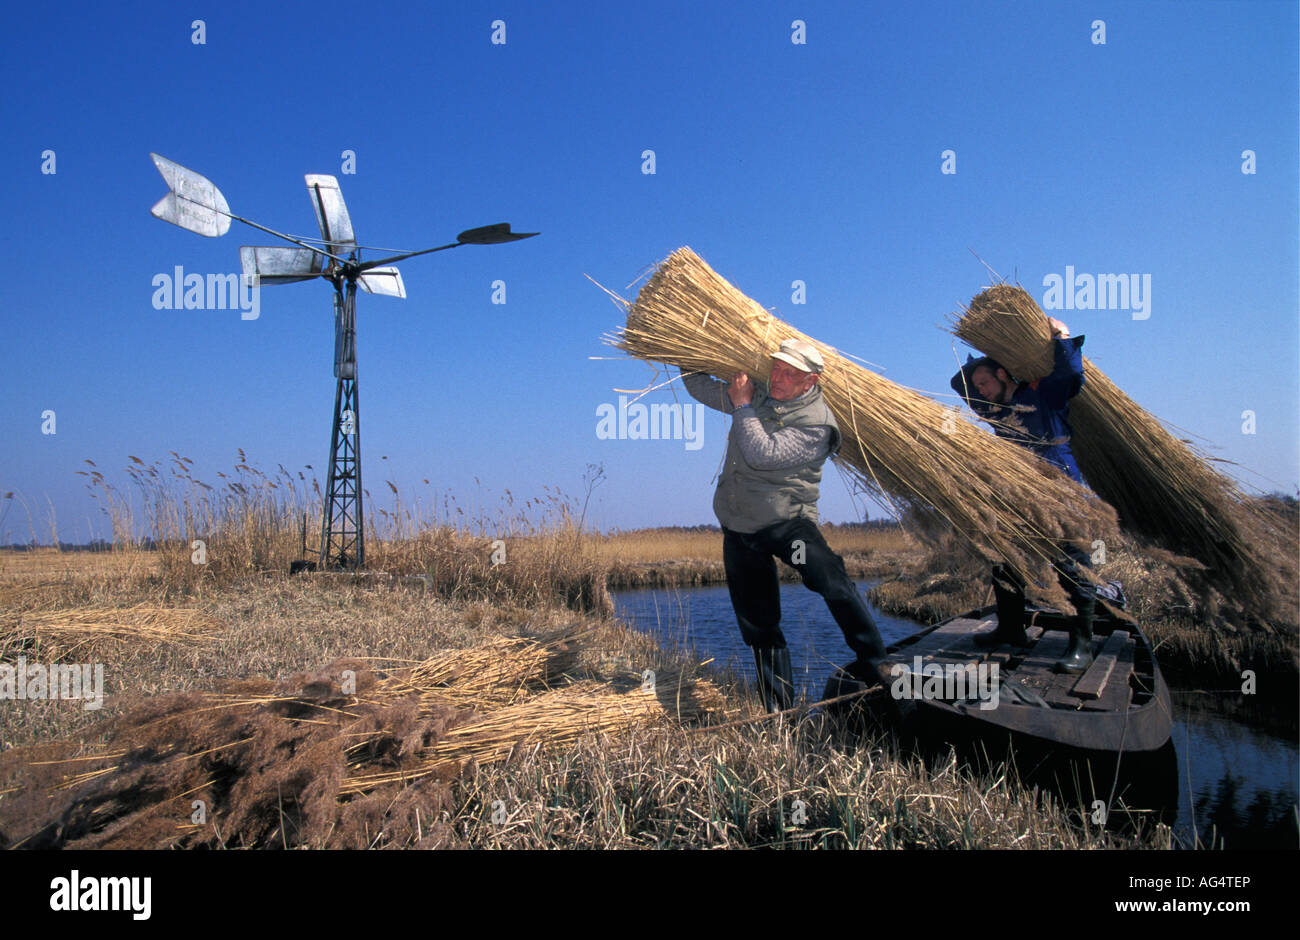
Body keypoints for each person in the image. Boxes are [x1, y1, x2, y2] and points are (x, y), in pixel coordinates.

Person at [681, 338, 887, 712]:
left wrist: (743, 404)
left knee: (830, 580)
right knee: (758, 621)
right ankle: (779, 710)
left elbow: (765, 454)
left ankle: (876, 666)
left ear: (811, 381)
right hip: (741, 526)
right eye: (776, 367)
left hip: (787, 525)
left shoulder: (817, 424)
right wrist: (683, 353)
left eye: (790, 374)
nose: (778, 377)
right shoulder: (758, 394)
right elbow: (702, 389)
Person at [950, 316, 1106, 674]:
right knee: (1006, 559)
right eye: (979, 386)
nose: (981, 390)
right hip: (1019, 496)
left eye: (985, 382)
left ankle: (1081, 645)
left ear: (1003, 376)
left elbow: (1070, 375)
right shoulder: (995, 413)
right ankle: (1010, 629)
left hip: (1062, 490)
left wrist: (1061, 335)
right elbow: (957, 384)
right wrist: (983, 358)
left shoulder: (1041, 394)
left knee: (1073, 566)